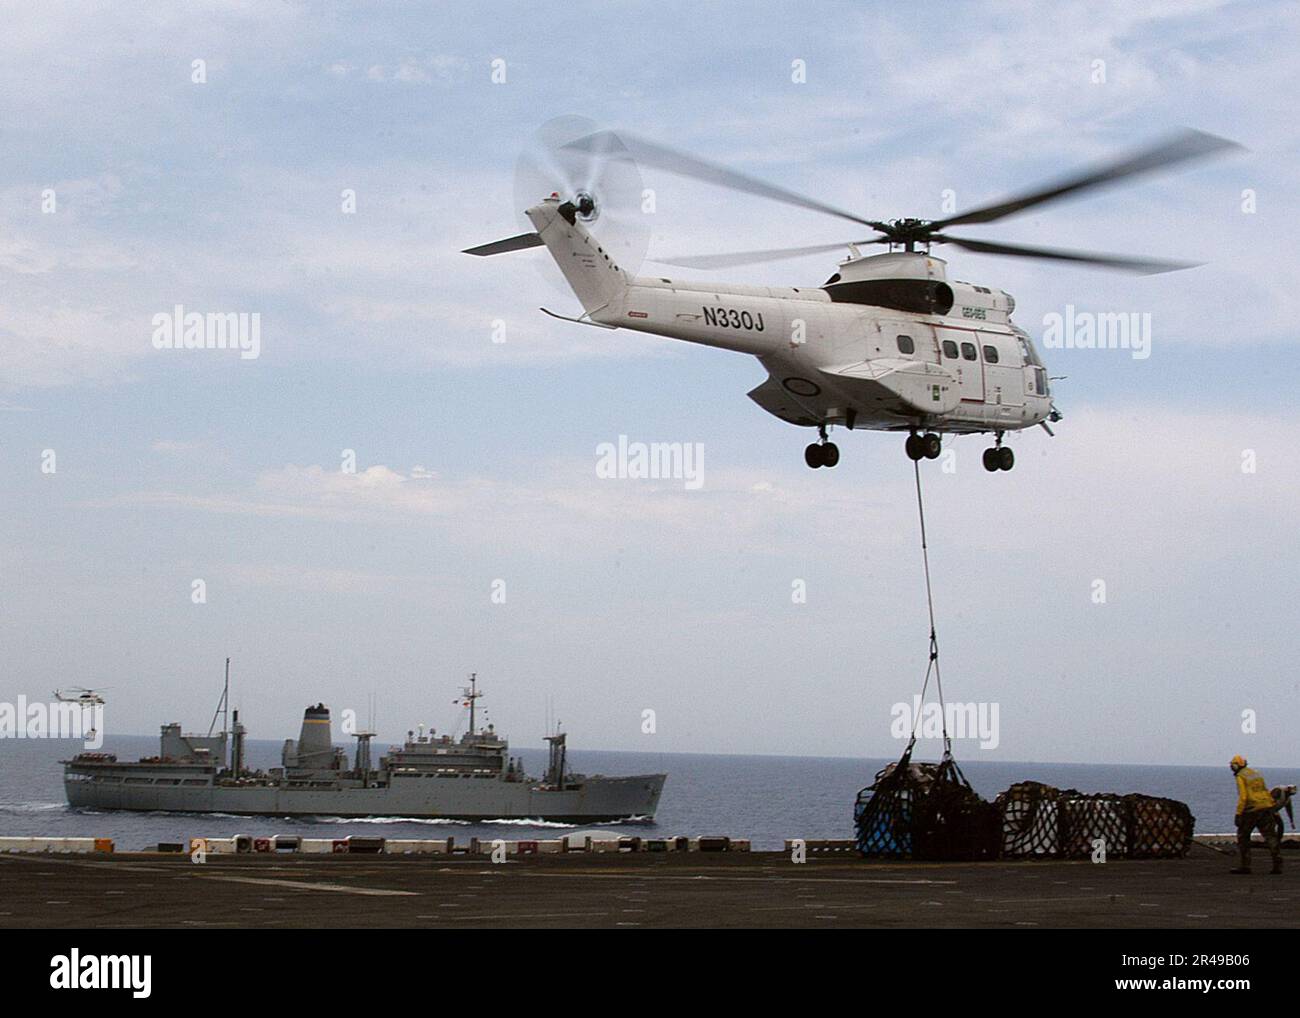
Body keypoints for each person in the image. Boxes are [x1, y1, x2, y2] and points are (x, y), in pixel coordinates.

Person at [1229, 755, 1282, 875]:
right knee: (1270, 836)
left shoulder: (1240, 776)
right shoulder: (1256, 773)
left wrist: (1238, 814)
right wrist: (1272, 806)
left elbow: (1243, 797)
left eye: (1232, 765)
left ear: (1236, 766)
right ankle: (1277, 864)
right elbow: (1264, 790)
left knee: (1243, 836)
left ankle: (1245, 866)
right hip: (1266, 807)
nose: (1232, 768)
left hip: (1252, 809)